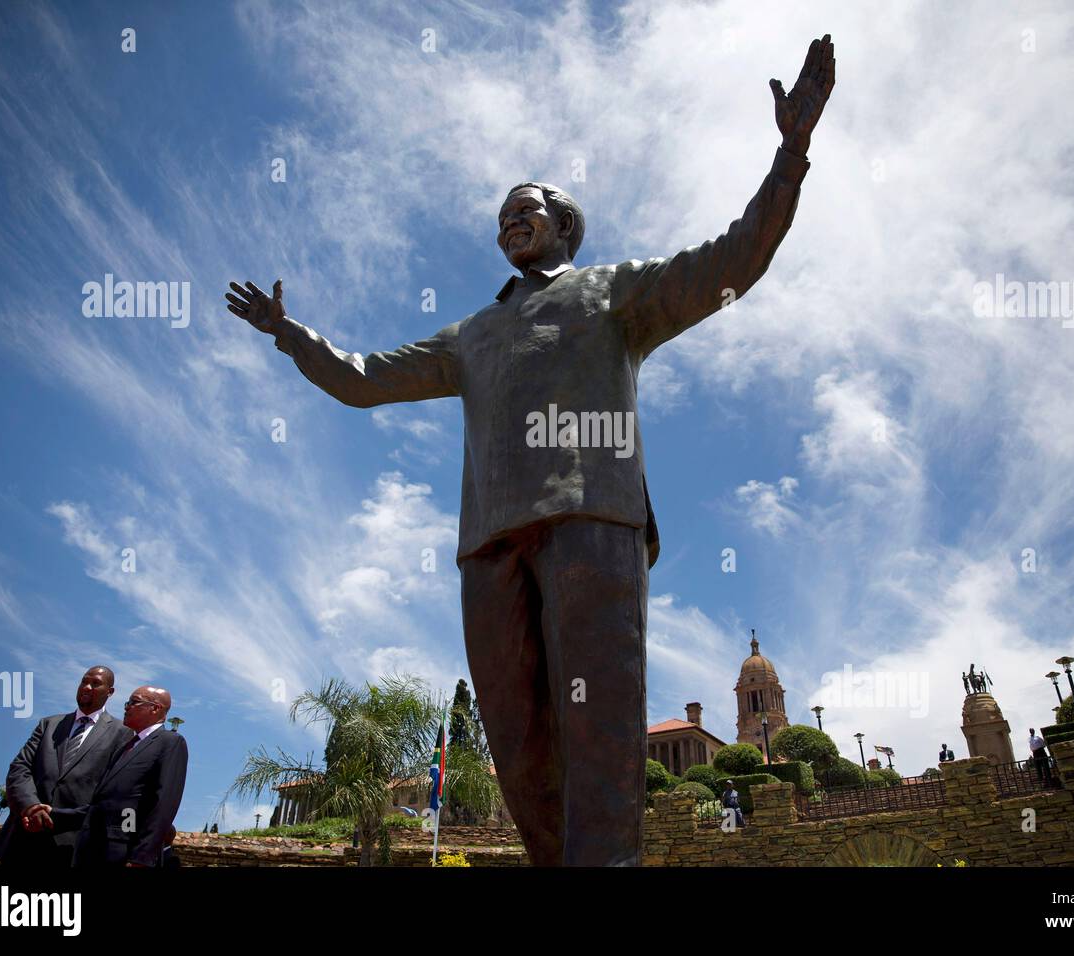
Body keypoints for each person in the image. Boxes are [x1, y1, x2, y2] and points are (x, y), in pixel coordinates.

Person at [226, 37, 835, 867]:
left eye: (529, 209)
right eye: (504, 215)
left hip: (591, 522)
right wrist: (289, 334)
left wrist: (790, 154)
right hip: (489, 543)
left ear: (565, 226)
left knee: (600, 732)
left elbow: (733, 260)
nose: (512, 220)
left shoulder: (613, 291)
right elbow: (363, 379)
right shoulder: (471, 335)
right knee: (519, 751)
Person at [0, 666, 133, 867]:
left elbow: (111, 793)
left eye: (96, 683)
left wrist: (57, 816)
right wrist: (30, 807)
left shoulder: (123, 734)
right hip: (24, 836)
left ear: (110, 692)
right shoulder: (49, 725)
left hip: (72, 844)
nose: (87, 687)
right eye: (84, 681)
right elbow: (20, 768)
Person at [38, 685, 188, 867]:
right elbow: (101, 805)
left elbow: (164, 803)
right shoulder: (125, 747)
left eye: (133, 702)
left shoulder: (170, 742)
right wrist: (53, 814)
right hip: (90, 852)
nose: (126, 707)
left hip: (123, 854)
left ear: (155, 708)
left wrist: (142, 857)